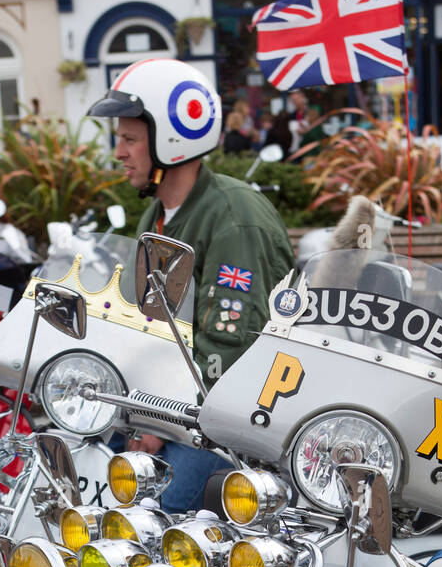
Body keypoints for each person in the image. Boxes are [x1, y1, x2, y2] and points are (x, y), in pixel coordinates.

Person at [88, 57, 294, 512]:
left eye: (129, 139)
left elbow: (229, 348)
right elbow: (143, 323)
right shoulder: (158, 214)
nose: (119, 152)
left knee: (153, 517)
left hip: (228, 424)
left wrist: (156, 427)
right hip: (160, 412)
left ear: (170, 140)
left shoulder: (233, 220)